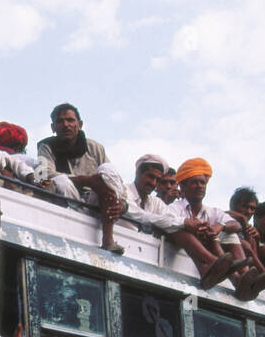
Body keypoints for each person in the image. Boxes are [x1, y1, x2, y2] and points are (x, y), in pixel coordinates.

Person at [36, 104, 126, 253]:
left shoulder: (95, 148)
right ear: (53, 127)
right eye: (60, 121)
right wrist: (85, 180)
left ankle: (108, 239)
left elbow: (118, 182)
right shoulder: (45, 146)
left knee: (108, 170)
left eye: (70, 120)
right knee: (62, 181)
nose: (65, 125)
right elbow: (41, 177)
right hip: (68, 203)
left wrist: (122, 205)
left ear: (80, 124)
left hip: (96, 205)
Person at [164, 158, 244, 290]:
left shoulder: (212, 211)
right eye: (194, 183)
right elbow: (167, 221)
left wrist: (219, 227)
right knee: (182, 230)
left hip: (208, 247)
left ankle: (242, 277)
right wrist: (192, 227)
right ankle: (215, 264)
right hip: (183, 250)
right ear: (183, 187)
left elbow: (236, 225)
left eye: (202, 182)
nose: (200, 186)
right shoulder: (174, 208)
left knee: (230, 234)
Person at [122, 154, 184, 233]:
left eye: (157, 180)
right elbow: (142, 216)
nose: (153, 183)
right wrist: (184, 222)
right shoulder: (123, 191)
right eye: (150, 177)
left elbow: (171, 217)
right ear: (138, 173)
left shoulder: (156, 202)